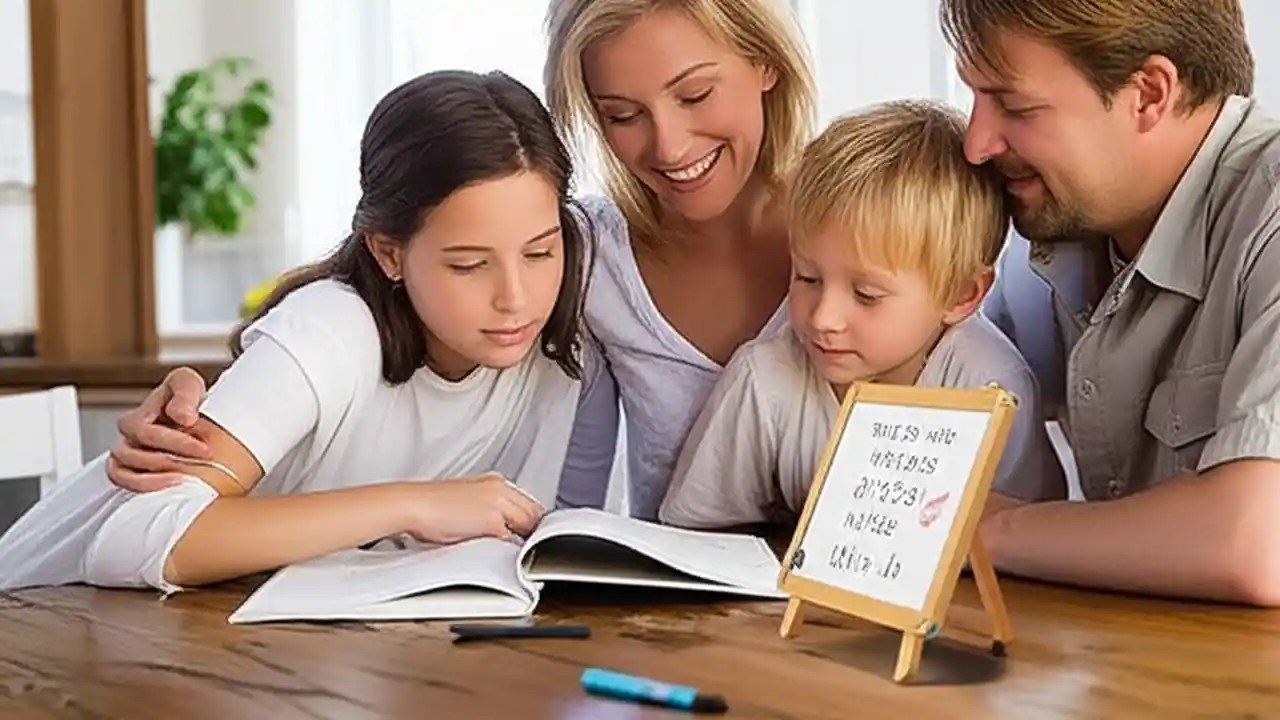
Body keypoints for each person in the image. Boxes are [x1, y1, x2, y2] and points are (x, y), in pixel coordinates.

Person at [104, 0, 819, 522]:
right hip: (695, 621)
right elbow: (570, 516)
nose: (666, 146)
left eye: (695, 94)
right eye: (621, 116)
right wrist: (219, 399)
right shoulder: (579, 254)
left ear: (764, 61)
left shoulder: (869, 214)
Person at [0, 70, 618, 591]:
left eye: (540, 253)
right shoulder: (331, 327)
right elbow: (130, 540)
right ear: (390, 254)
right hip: (39, 632)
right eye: (468, 264)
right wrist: (415, 501)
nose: (516, 298)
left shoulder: (560, 346)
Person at [945, 0, 1280, 605]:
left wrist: (986, 526)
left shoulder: (1269, 216)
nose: (977, 144)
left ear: (1149, 93)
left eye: (1016, 107)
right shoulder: (1059, 228)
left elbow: (1256, 542)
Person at [659, 100, 1065, 529]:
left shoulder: (989, 386)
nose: (823, 319)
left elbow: (1024, 541)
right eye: (807, 278)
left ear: (962, 294)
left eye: (867, 294)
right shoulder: (766, 378)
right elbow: (695, 533)